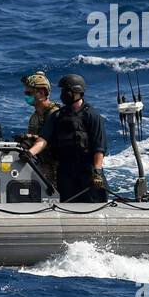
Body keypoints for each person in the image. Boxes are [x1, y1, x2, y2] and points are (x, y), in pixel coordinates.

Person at [26, 74, 109, 202]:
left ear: (76, 93)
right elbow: (43, 139)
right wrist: (30, 153)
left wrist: (97, 172)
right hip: (65, 171)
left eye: (66, 91)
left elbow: (99, 148)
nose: (62, 94)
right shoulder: (58, 116)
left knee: (94, 205)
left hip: (87, 170)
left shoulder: (91, 115)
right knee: (68, 206)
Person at [20, 71, 60, 188]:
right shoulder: (35, 117)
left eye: (29, 93)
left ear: (42, 93)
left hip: (58, 167)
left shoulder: (55, 114)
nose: (26, 96)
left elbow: (53, 139)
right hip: (43, 164)